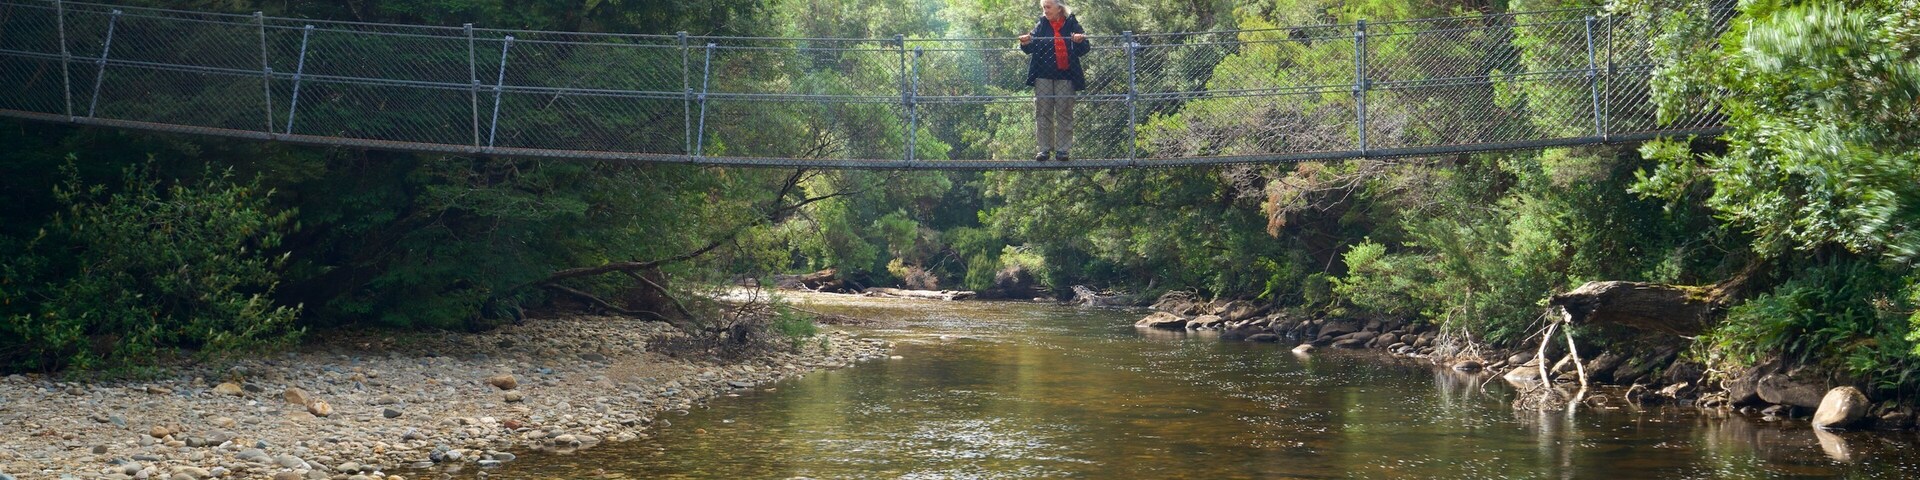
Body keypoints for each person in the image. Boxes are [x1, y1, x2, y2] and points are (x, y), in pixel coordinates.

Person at [1018, 0, 1089, 162]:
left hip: (1066, 76)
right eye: (1044, 7)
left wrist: (1079, 41)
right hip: (1042, 76)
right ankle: (1044, 150)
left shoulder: (1071, 24)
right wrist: (1025, 42)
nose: (1045, 10)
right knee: (1043, 113)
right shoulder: (1042, 24)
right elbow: (1030, 48)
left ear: (1059, 8)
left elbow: (1085, 48)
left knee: (1065, 112)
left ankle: (1063, 150)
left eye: (1048, 7)